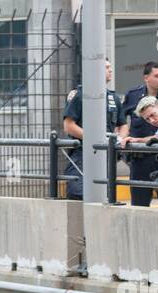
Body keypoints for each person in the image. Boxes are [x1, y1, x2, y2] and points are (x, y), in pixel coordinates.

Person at [62, 61, 126, 200]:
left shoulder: (114, 98)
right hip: (83, 152)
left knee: (106, 194)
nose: (111, 70)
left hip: (107, 154)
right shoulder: (80, 95)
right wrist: (95, 139)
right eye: (106, 67)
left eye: (110, 67)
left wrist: (120, 139)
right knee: (76, 191)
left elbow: (123, 124)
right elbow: (68, 125)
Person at [121, 61, 158, 206]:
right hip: (140, 160)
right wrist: (123, 142)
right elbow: (120, 121)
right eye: (157, 75)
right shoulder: (133, 95)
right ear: (146, 78)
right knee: (139, 204)